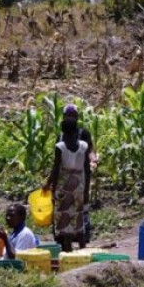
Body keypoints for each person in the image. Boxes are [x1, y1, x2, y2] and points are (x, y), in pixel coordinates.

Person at [46, 118, 91, 251]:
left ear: (63, 133)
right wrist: (86, 190)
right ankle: (83, 250)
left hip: (64, 186)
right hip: (79, 185)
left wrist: (50, 186)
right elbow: (87, 169)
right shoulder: (84, 146)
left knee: (64, 217)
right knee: (78, 216)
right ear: (77, 132)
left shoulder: (60, 147)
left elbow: (56, 169)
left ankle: (68, 251)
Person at [62, 103, 97, 242]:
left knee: (83, 201)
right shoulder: (61, 136)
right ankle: (69, 233)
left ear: (77, 117)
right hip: (65, 175)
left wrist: (93, 159)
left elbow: (90, 150)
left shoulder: (83, 134)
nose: (70, 118)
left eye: (73, 116)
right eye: (68, 116)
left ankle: (83, 232)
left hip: (82, 173)